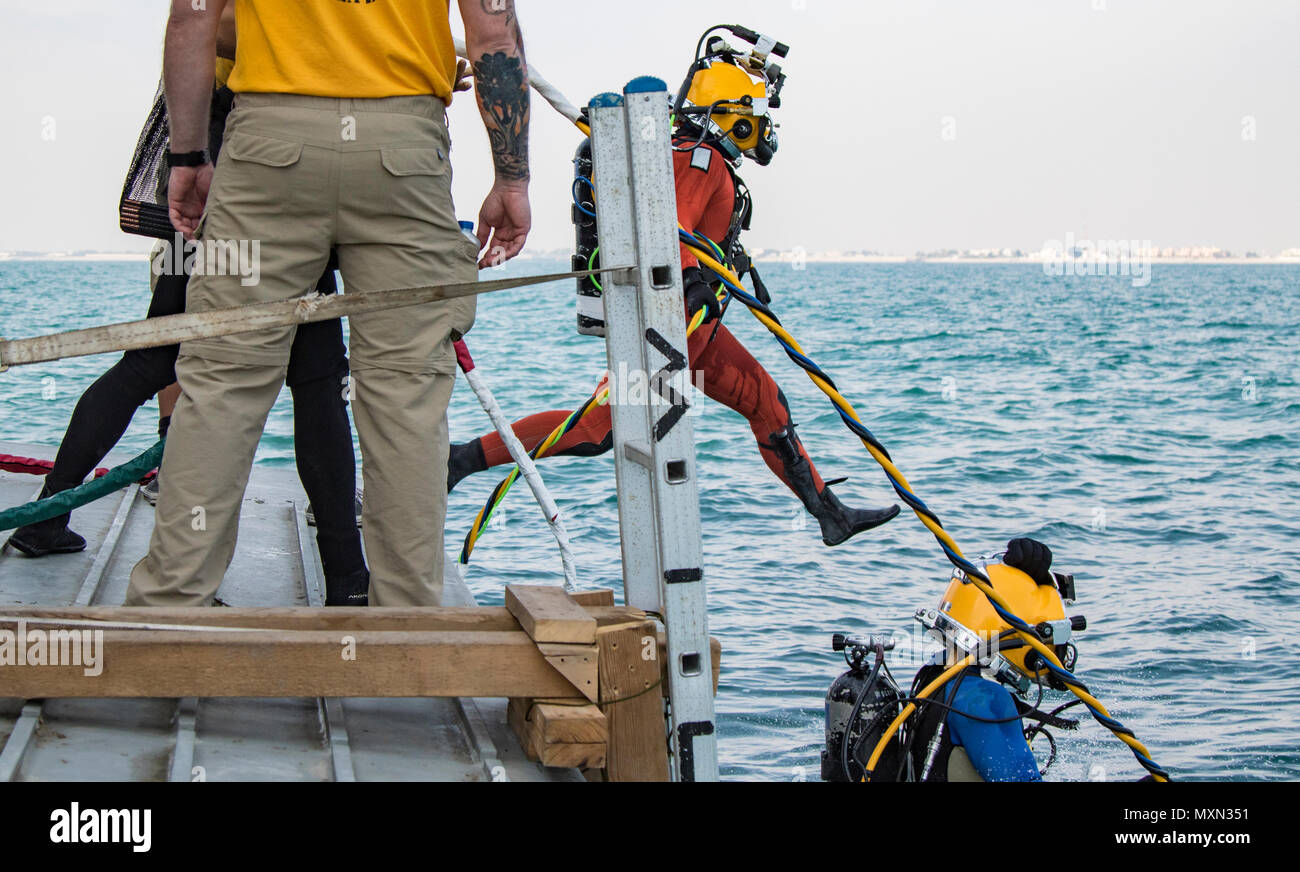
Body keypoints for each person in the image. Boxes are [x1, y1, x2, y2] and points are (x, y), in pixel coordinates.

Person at [125, 0, 530, 608]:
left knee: (222, 385)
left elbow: (192, 18)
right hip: (403, 151)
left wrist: (187, 156)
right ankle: (409, 622)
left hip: (270, 144)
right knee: (405, 395)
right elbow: (492, 30)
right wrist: (512, 178)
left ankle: (167, 607)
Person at [447, 37, 899, 546]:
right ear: (734, 114)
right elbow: (673, 226)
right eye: (756, 113)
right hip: (670, 329)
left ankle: (828, 514)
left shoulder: (699, 155)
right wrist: (688, 279)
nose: (764, 128)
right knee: (599, 430)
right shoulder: (700, 157)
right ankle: (462, 459)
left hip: (695, 333)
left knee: (768, 404)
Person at [8, 12, 368, 606]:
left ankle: (49, 512)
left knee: (162, 358)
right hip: (257, 153)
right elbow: (215, 29)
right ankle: (347, 579)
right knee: (312, 374)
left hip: (230, 143)